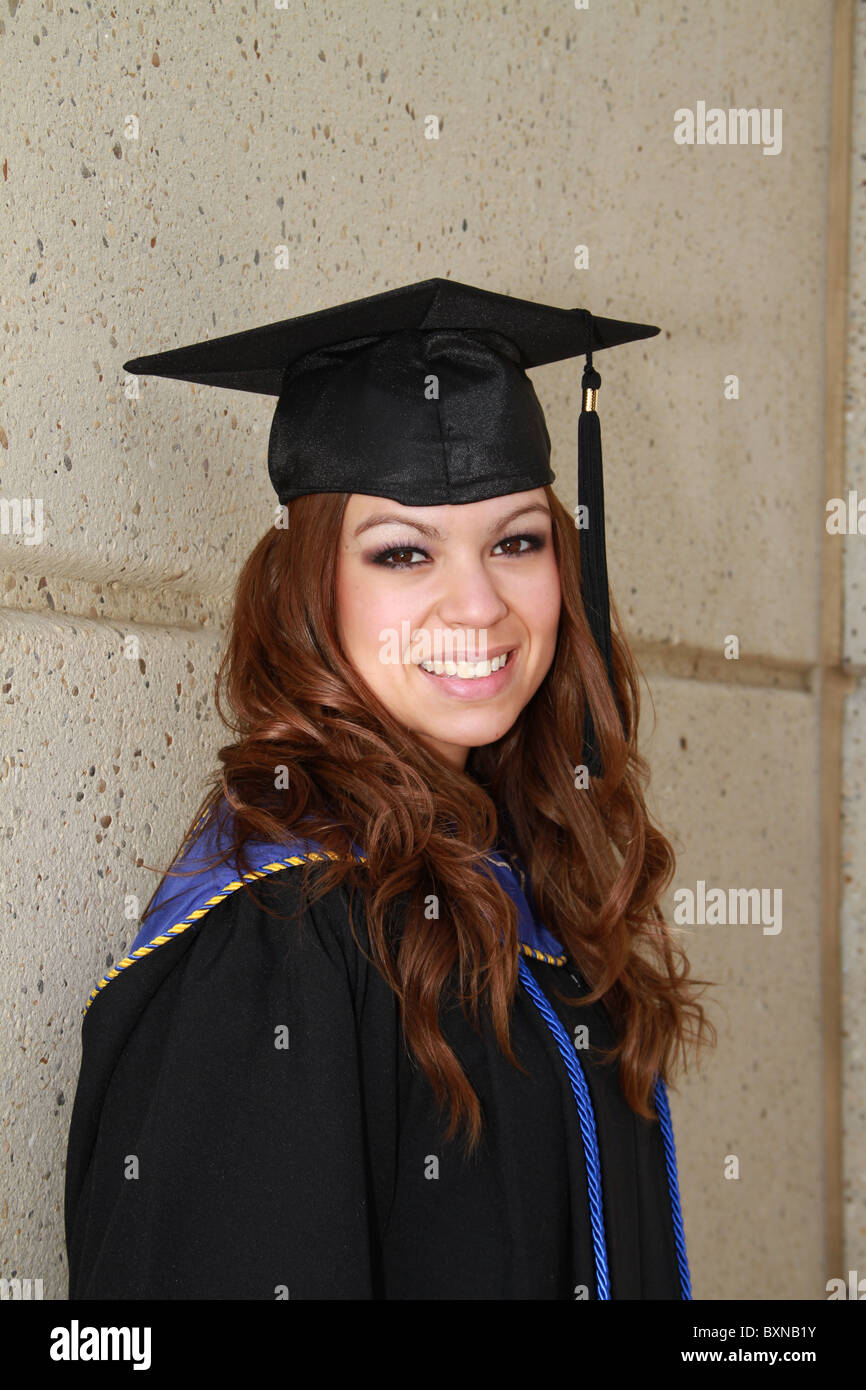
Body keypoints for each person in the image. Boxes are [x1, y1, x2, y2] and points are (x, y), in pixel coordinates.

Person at [64, 277, 715, 1300]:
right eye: (402, 551)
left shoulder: (530, 890)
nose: (477, 601)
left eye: (515, 540)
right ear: (306, 584)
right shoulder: (281, 942)